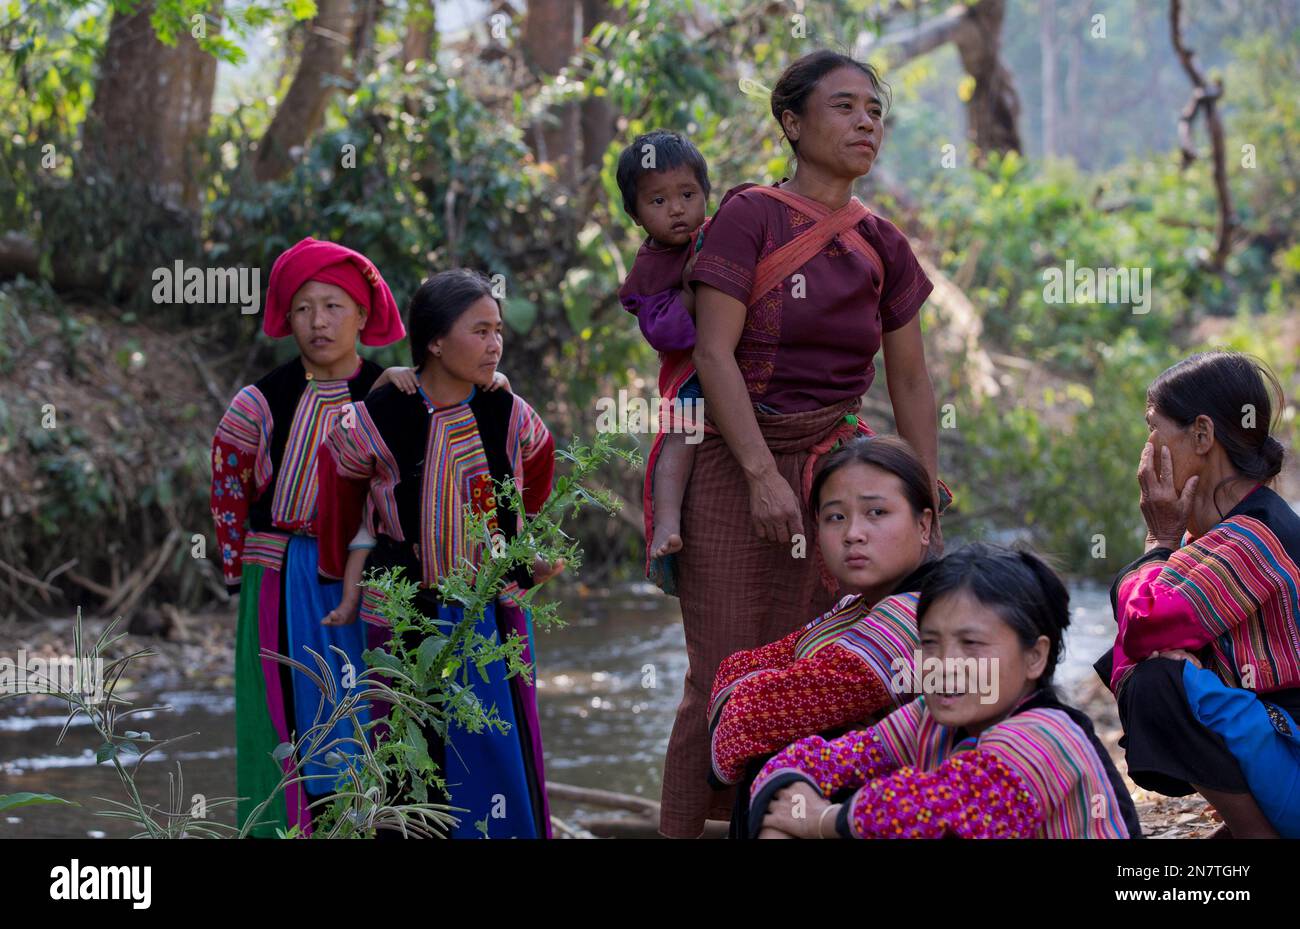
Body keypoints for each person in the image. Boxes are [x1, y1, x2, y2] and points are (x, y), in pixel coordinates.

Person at [660, 48, 949, 837]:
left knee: (824, 677)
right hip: (730, 459)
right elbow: (713, 353)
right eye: (845, 107)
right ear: (792, 123)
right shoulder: (749, 216)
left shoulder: (883, 242)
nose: (866, 122)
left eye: (875, 110)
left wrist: (922, 501)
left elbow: (912, 384)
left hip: (836, 471)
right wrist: (760, 474)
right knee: (715, 674)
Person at [316, 269, 562, 838]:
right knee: (409, 750)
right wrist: (340, 565)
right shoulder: (382, 414)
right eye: (479, 331)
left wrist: (519, 540)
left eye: (498, 331)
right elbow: (339, 480)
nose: (494, 344)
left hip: (490, 608)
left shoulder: (507, 411)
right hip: (405, 608)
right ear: (433, 341)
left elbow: (541, 461)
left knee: (497, 743)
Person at [210, 237, 406, 837]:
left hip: (370, 576)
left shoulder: (392, 393)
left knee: (372, 712)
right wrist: (238, 568)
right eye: (303, 308)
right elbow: (228, 484)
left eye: (333, 306)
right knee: (284, 719)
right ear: (286, 318)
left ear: (364, 314)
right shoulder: (258, 403)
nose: (318, 322)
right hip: (283, 577)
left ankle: (374, 824)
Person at [751, 544, 1142, 839]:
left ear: (1034, 657)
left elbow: (940, 809)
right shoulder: (928, 715)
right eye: (931, 643)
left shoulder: (1045, 735)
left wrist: (821, 820)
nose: (945, 664)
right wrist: (792, 800)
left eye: (971, 644)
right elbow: (816, 760)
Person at [1095, 351, 1300, 838]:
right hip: (1281, 756)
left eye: (1153, 427)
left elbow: (1143, 627)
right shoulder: (1234, 528)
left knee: (1157, 681)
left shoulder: (1254, 538)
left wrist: (1158, 543)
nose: (1146, 446)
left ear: (1203, 435)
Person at [707, 435, 935, 835]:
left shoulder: (916, 617)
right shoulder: (855, 608)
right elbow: (735, 667)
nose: (853, 534)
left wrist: (740, 701)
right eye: (835, 517)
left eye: (876, 512)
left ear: (923, 524)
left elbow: (745, 722)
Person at [615, 130, 711, 593]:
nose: (676, 209)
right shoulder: (651, 267)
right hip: (693, 373)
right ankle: (667, 522)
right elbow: (662, 330)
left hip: (750, 367)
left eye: (687, 195)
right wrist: (691, 292)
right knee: (681, 435)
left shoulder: (722, 232)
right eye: (658, 201)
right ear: (634, 214)